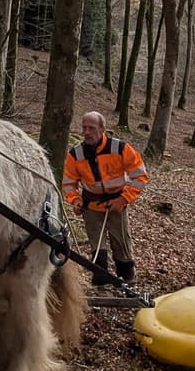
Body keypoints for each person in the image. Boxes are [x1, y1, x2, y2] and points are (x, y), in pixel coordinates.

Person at [62, 111, 149, 285]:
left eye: (91, 128)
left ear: (102, 129)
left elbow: (140, 176)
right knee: (97, 245)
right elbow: (68, 183)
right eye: (84, 128)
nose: (87, 132)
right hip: (91, 206)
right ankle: (101, 281)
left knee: (121, 242)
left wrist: (124, 199)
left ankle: (127, 278)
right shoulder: (75, 154)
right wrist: (76, 201)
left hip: (116, 204)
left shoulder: (120, 148)